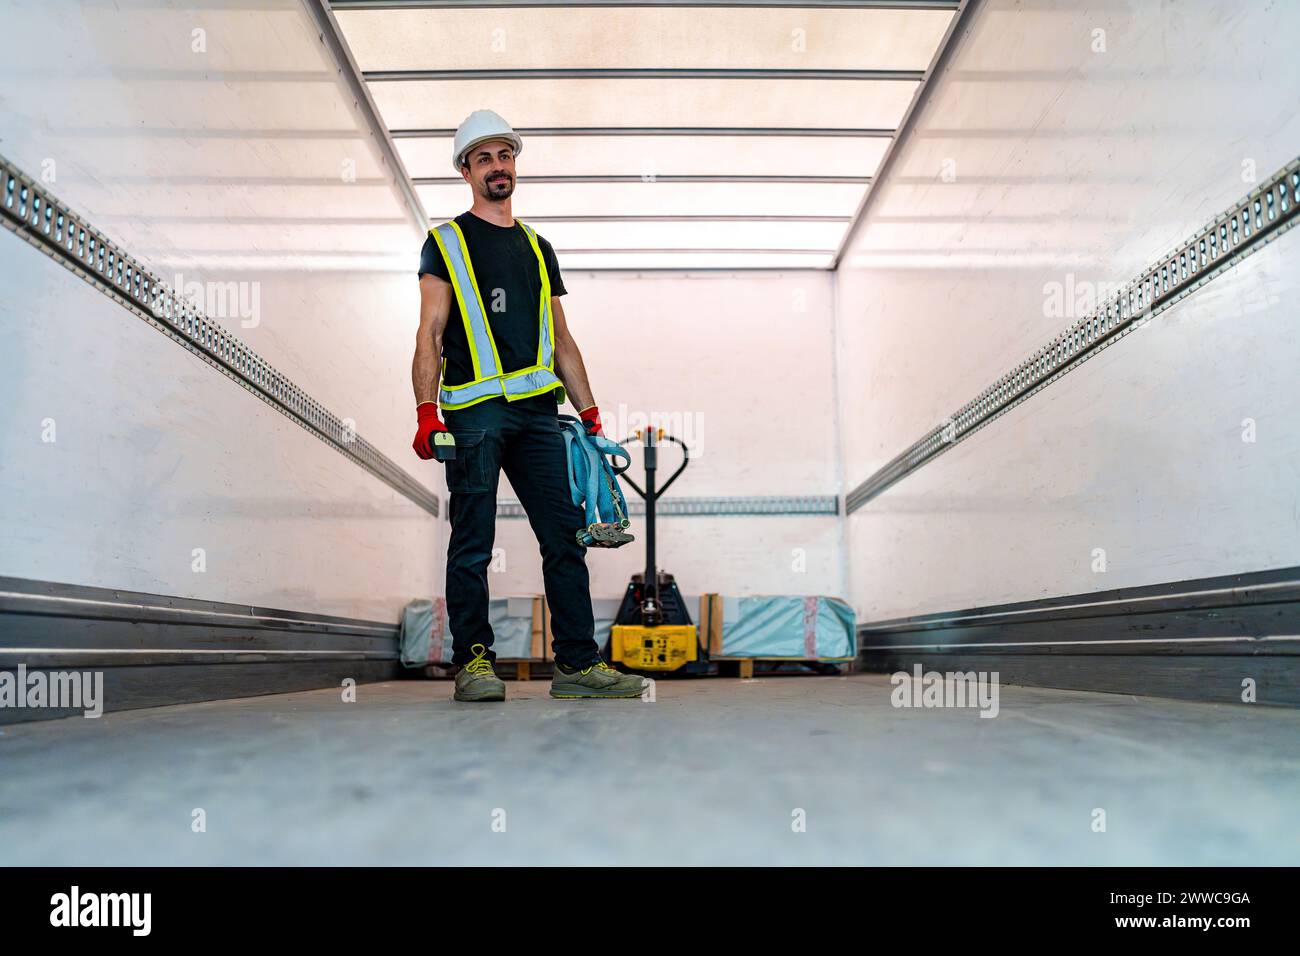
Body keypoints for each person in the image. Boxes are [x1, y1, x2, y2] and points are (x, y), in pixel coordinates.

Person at [410, 109, 647, 703]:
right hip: (474, 416)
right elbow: (429, 333)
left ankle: (575, 666)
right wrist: (425, 410)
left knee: (565, 538)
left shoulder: (540, 249)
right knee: (473, 541)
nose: (498, 166)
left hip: (540, 416)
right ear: (466, 170)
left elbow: (561, 337)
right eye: (484, 157)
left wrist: (590, 416)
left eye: (505, 155)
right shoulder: (446, 242)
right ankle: (475, 664)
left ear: (515, 165)